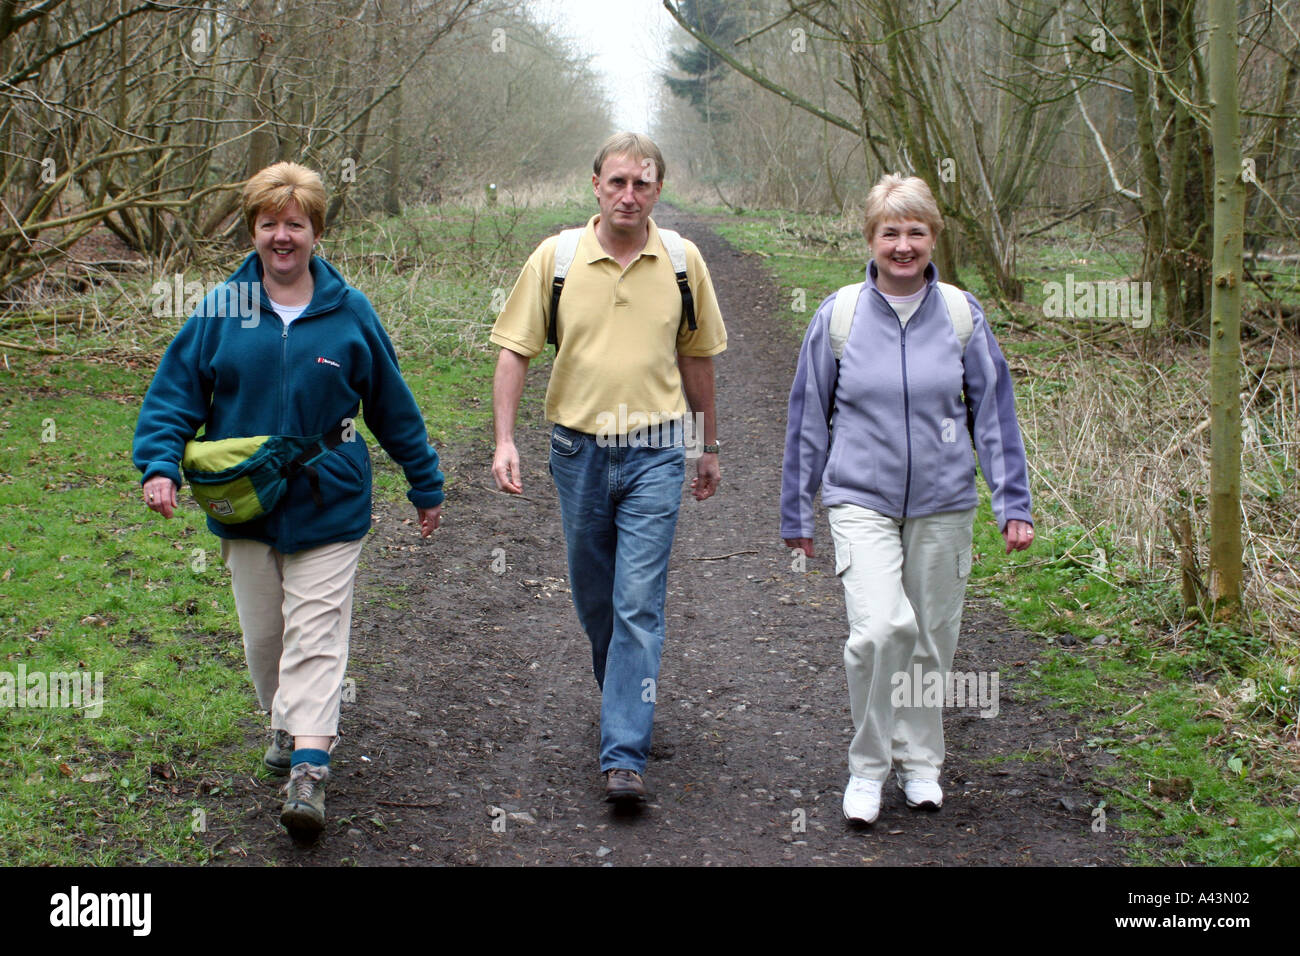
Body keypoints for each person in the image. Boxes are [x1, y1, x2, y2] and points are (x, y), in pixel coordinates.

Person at [132, 162, 445, 839]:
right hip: (243, 498)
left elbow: (392, 405)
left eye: (295, 224)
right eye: (269, 223)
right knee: (265, 637)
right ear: (253, 230)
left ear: (315, 232)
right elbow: (174, 396)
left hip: (330, 495)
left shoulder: (350, 311)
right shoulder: (220, 309)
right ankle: (286, 719)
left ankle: (309, 764)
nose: (282, 236)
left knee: (318, 632)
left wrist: (424, 481)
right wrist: (159, 466)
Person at [780, 174, 1033, 826]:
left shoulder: (960, 315)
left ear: (933, 237)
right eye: (890, 231)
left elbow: (994, 415)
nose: (902, 245)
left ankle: (921, 761)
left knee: (931, 640)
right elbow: (808, 417)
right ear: (870, 238)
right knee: (881, 630)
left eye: (915, 231)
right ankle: (868, 768)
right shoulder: (838, 317)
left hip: (945, 502)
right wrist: (796, 507)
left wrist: (1013, 503)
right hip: (860, 496)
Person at [490, 132, 726, 804]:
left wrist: (707, 445)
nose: (629, 195)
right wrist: (504, 440)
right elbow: (514, 352)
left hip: (657, 449)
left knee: (637, 604)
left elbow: (698, 359)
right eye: (617, 182)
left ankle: (624, 753)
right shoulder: (556, 258)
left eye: (643, 184)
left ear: (659, 190)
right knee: (597, 602)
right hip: (577, 452)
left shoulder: (683, 261)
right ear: (595, 184)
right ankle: (627, 695)